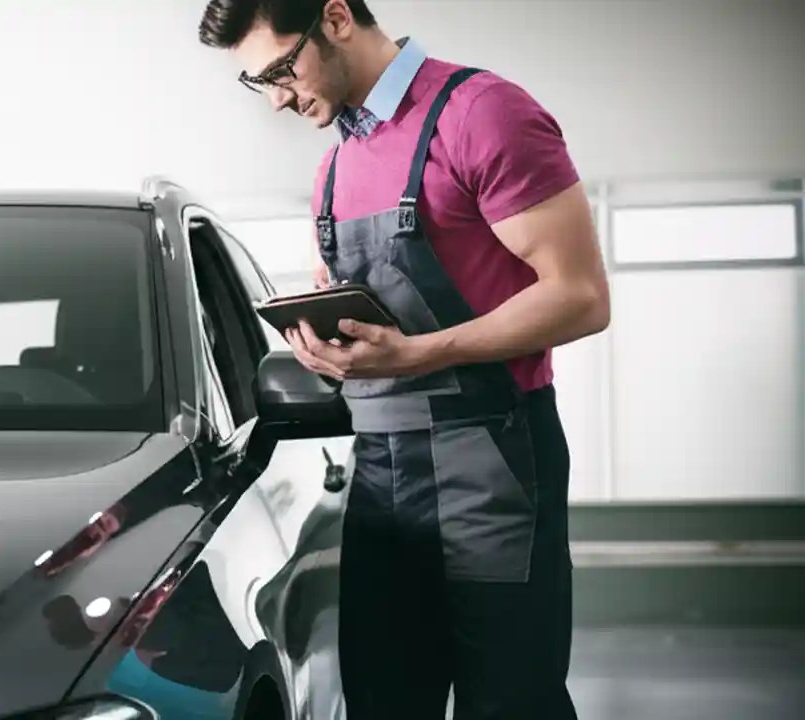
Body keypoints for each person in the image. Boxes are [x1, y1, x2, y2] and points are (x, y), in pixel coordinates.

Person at [196, 1, 610, 718]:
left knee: (513, 703)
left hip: (493, 465)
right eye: (255, 83)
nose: (276, 99)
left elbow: (580, 297)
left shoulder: (483, 114)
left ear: (335, 17)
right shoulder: (335, 167)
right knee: (384, 701)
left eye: (280, 70)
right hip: (381, 478)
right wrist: (331, 353)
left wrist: (418, 354)